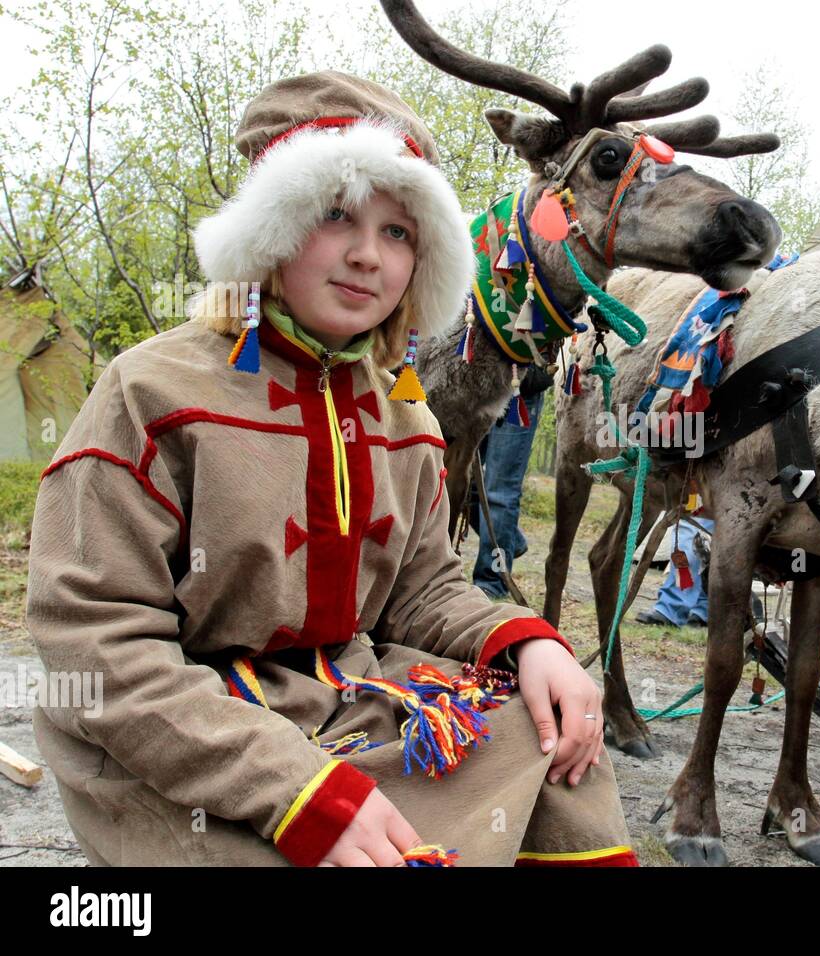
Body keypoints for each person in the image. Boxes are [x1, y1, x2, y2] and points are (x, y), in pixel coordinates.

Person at [25, 71, 634, 867]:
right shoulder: (151, 393)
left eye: (399, 232)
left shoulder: (405, 415)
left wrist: (527, 643)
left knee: (550, 731)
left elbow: (424, 589)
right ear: (269, 227)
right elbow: (95, 645)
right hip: (182, 734)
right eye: (335, 213)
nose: (365, 255)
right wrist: (296, 792)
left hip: (344, 698)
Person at [472, 365, 549, 597]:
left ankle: (492, 582)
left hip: (521, 395)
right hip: (482, 389)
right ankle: (511, 541)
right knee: (465, 482)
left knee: (500, 493)